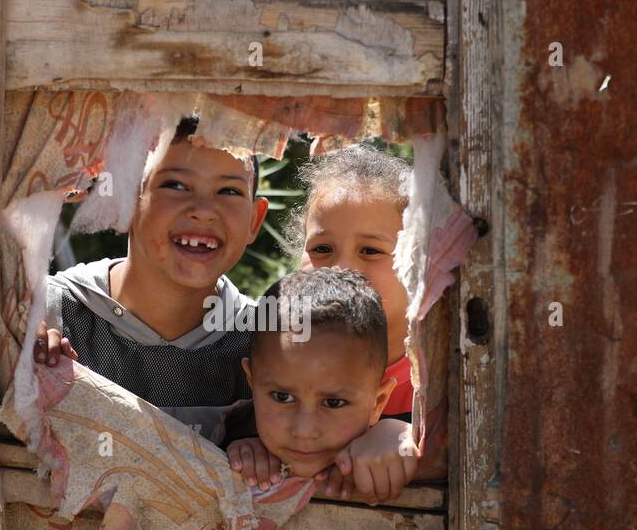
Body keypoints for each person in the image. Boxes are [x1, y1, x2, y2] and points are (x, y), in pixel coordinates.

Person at [34, 118, 268, 439]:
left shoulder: (263, 344)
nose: (203, 210)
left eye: (228, 191)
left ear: (255, 220)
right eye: (175, 185)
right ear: (126, 200)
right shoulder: (50, 317)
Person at [230, 144, 420, 503]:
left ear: (417, 260)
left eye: (371, 251)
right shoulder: (273, 344)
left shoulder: (440, 375)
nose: (342, 267)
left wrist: (402, 434)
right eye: (321, 249)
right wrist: (250, 447)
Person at [226, 268, 397, 484]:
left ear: (378, 403)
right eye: (282, 397)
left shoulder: (393, 449)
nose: (304, 432)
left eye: (333, 402)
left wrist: (398, 436)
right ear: (252, 384)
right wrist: (241, 453)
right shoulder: (238, 449)